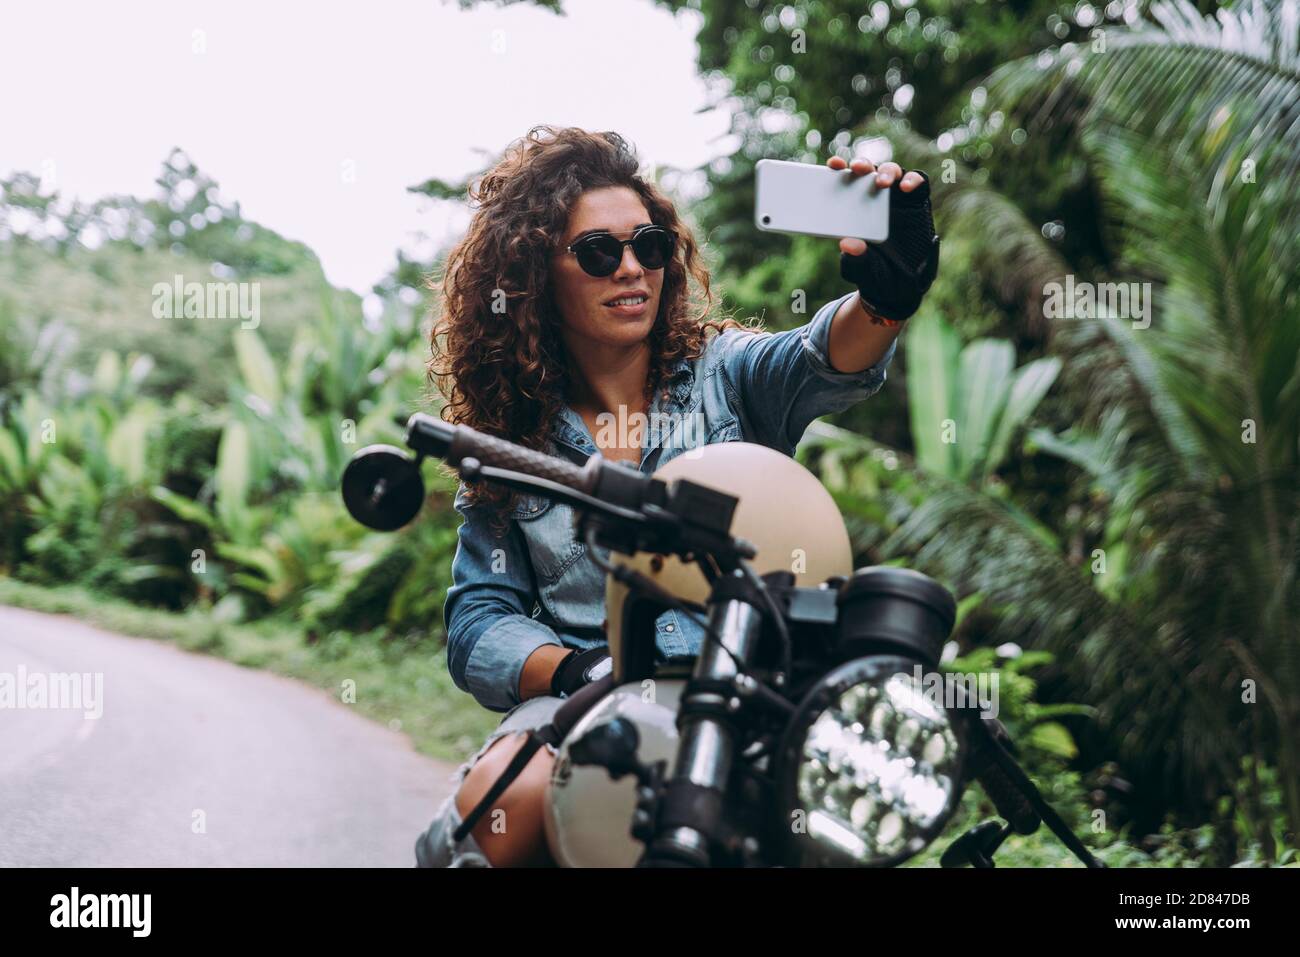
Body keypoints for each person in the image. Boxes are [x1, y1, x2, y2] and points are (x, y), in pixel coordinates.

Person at [414, 125, 939, 867]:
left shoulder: (728, 372)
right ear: (536, 276)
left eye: (650, 245)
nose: (631, 268)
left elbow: (824, 356)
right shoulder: (513, 440)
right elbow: (479, 616)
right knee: (501, 806)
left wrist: (889, 295)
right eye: (599, 252)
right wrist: (573, 672)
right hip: (587, 697)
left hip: (751, 688)